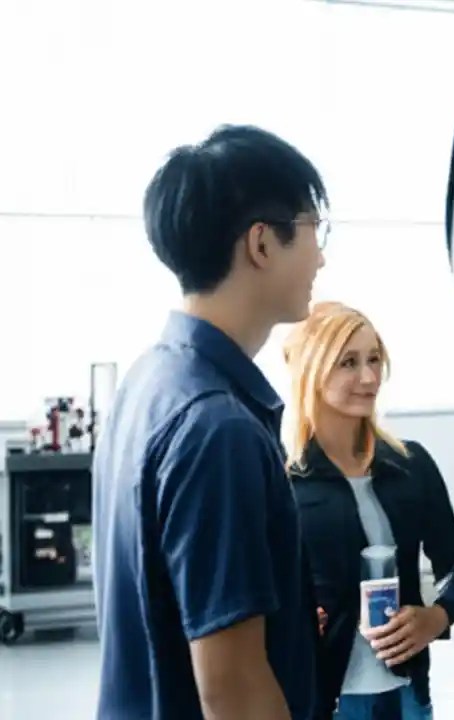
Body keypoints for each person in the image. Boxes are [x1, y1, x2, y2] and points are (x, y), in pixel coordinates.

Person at [92, 125, 329, 719]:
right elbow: (234, 693)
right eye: (311, 230)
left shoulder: (149, 381)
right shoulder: (217, 429)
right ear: (261, 244)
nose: (320, 256)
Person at [282, 301, 454, 720]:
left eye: (374, 359)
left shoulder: (412, 464)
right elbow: (259, 587)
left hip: (407, 695)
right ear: (312, 372)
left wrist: (436, 618)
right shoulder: (284, 482)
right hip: (327, 701)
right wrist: (291, 621)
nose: (369, 377)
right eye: (348, 362)